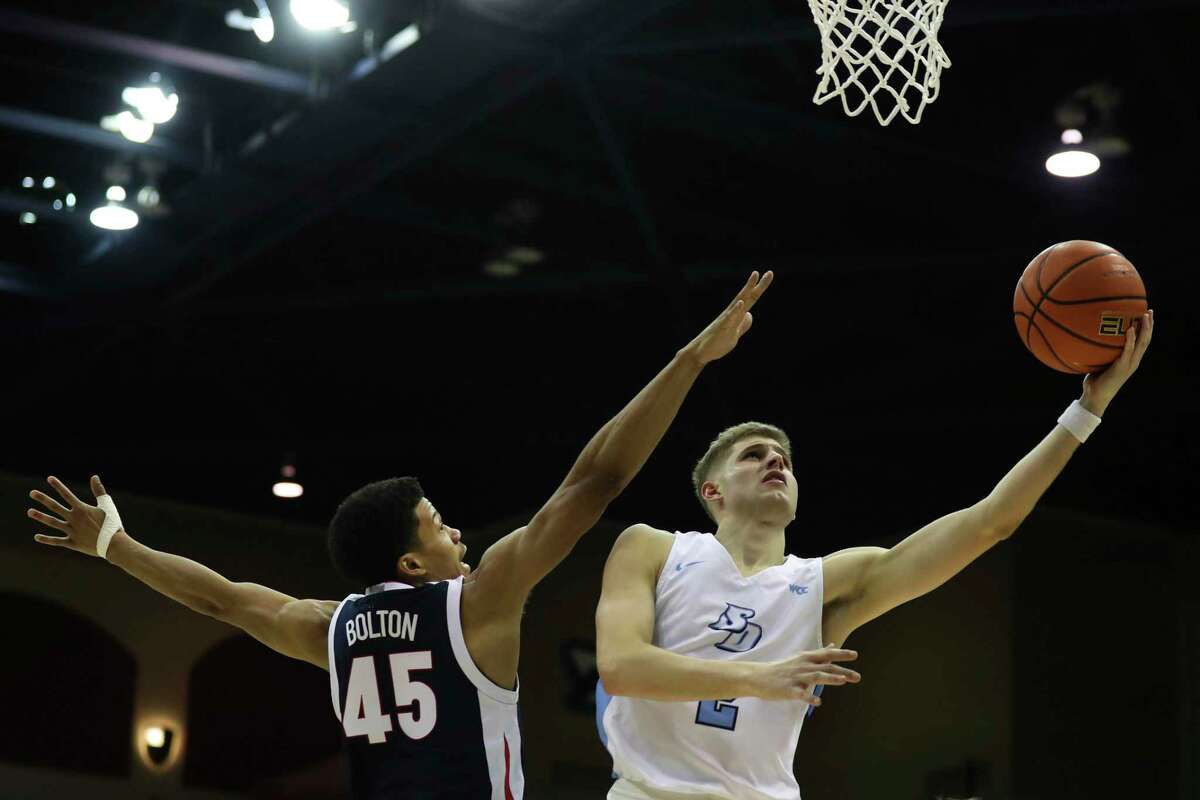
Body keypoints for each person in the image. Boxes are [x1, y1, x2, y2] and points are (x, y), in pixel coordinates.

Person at [26, 272, 774, 800]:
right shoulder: (478, 604)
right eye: (439, 525)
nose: (457, 532)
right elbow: (595, 481)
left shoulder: (333, 627)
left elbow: (220, 601)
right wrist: (690, 361)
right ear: (412, 560)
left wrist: (114, 547)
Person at [595, 312, 1154, 800]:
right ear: (711, 491)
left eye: (784, 458)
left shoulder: (827, 583)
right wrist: (760, 678)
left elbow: (992, 521)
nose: (776, 462)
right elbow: (620, 669)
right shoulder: (652, 547)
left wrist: (1087, 409)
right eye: (753, 455)